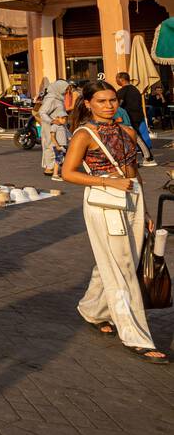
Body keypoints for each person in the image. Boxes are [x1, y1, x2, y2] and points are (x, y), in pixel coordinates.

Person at [61, 81, 167, 365]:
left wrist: (144, 211)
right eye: (102, 101)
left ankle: (92, 309)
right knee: (121, 268)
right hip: (103, 202)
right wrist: (106, 181)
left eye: (112, 101)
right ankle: (135, 335)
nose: (109, 106)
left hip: (132, 198)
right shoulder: (84, 134)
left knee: (121, 261)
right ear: (88, 104)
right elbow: (68, 173)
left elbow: (133, 171)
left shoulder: (127, 131)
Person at [114, 72, 157, 167]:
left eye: (116, 79)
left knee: (136, 138)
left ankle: (148, 158)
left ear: (121, 79)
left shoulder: (123, 91)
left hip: (129, 117)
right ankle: (134, 160)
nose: (116, 81)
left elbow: (118, 105)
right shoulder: (135, 89)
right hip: (138, 115)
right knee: (132, 139)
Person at [39, 79, 71, 180]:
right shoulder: (51, 99)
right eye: (65, 89)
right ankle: (50, 168)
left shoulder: (58, 98)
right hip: (51, 127)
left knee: (58, 145)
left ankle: (54, 168)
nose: (66, 92)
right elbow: (42, 112)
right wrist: (51, 121)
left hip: (59, 127)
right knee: (50, 145)